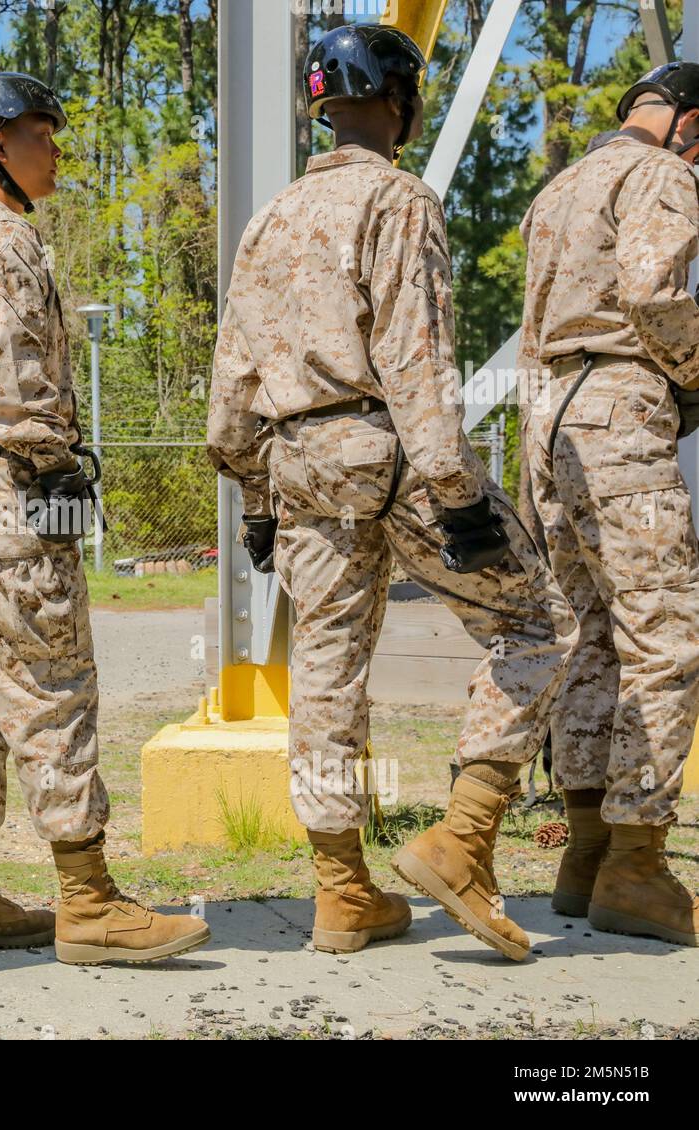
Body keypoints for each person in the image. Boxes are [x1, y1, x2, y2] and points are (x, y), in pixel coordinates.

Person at [207, 25, 575, 961]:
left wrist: (257, 501)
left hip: (297, 468)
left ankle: (341, 893)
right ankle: (462, 839)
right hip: (389, 452)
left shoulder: (269, 219)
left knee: (327, 673)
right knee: (540, 625)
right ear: (402, 102)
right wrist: (456, 500)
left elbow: (230, 398)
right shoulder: (400, 201)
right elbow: (417, 362)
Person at [0, 72, 210, 965]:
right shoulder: (1, 239)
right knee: (51, 681)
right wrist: (58, 468)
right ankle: (88, 901)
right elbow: (15, 386)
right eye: (45, 131)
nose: (58, 148)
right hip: (5, 483)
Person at [518, 61, 699, 946]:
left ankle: (584, 849)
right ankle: (637, 864)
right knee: (665, 637)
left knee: (585, 637)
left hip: (546, 413)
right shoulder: (662, 172)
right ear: (689, 123)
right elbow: (654, 292)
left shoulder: (561, 186)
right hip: (620, 407)